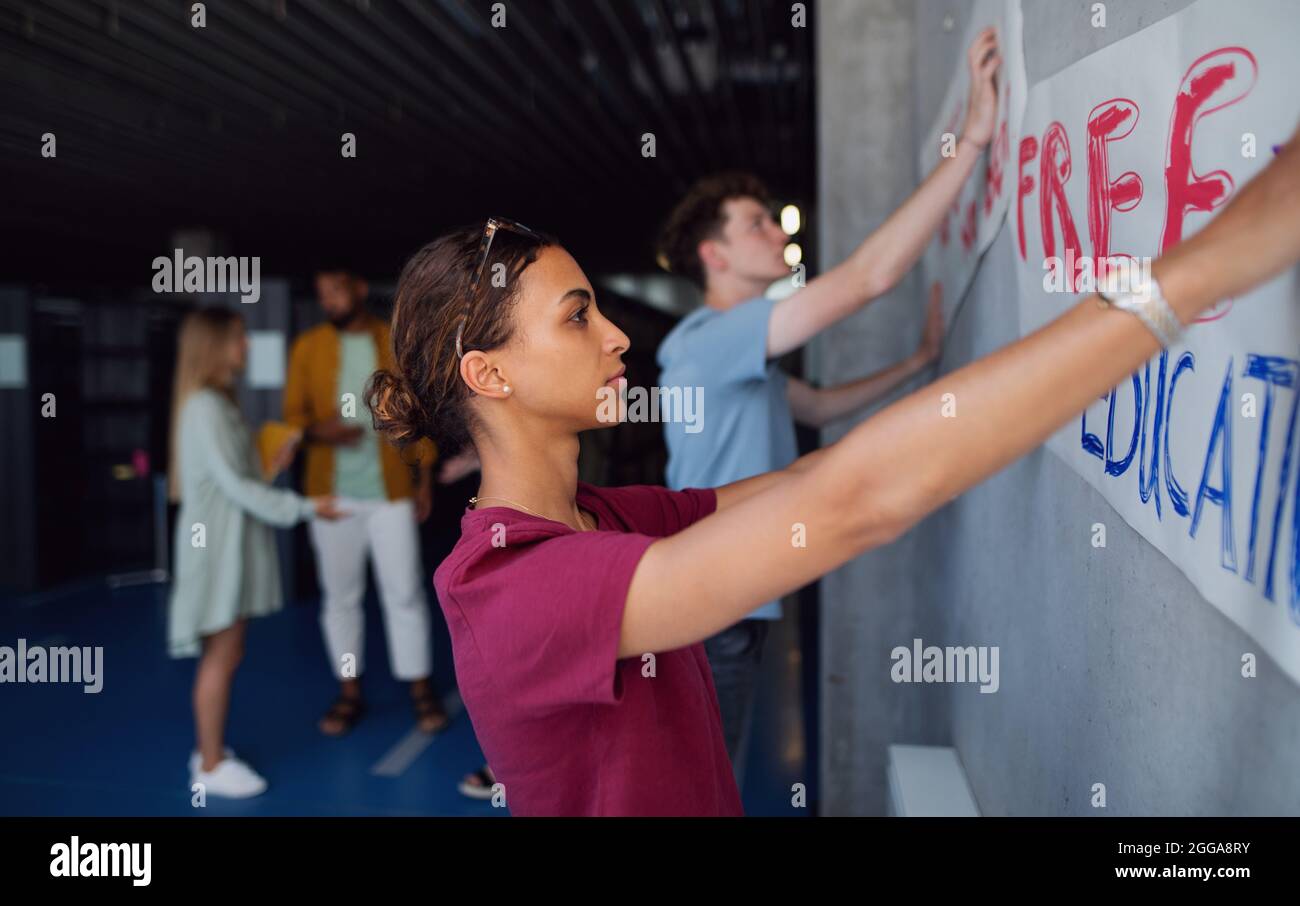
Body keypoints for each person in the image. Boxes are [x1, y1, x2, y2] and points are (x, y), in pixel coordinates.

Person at [366, 128, 1300, 816]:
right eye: (577, 318)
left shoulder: (605, 513)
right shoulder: (507, 583)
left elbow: (814, 479)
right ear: (486, 374)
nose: (616, 337)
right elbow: (850, 503)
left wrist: (957, 394)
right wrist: (1202, 269)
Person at [653, 27, 997, 772]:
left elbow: (814, 409)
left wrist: (919, 361)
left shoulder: (738, 354)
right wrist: (970, 145)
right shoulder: (711, 338)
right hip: (713, 597)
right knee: (701, 782)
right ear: (714, 256)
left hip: (731, 595)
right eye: (755, 225)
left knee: (710, 773)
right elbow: (867, 279)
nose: (776, 230)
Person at [167, 306, 340, 798]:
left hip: (225, 542)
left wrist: (272, 465)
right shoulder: (204, 406)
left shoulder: (217, 404)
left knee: (229, 650)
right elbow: (235, 491)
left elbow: (240, 484)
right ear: (216, 346)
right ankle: (211, 763)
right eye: (239, 339)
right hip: (214, 548)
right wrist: (307, 506)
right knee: (221, 654)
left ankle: (209, 752)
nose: (245, 347)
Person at [284, 266, 446, 736]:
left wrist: (424, 481)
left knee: (405, 594)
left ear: (357, 288)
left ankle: (420, 689)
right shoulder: (308, 348)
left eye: (336, 290)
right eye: (322, 294)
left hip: (390, 493)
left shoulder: (390, 342)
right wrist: (320, 431)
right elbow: (293, 420)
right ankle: (349, 691)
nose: (329, 301)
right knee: (340, 599)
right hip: (332, 497)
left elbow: (414, 415)